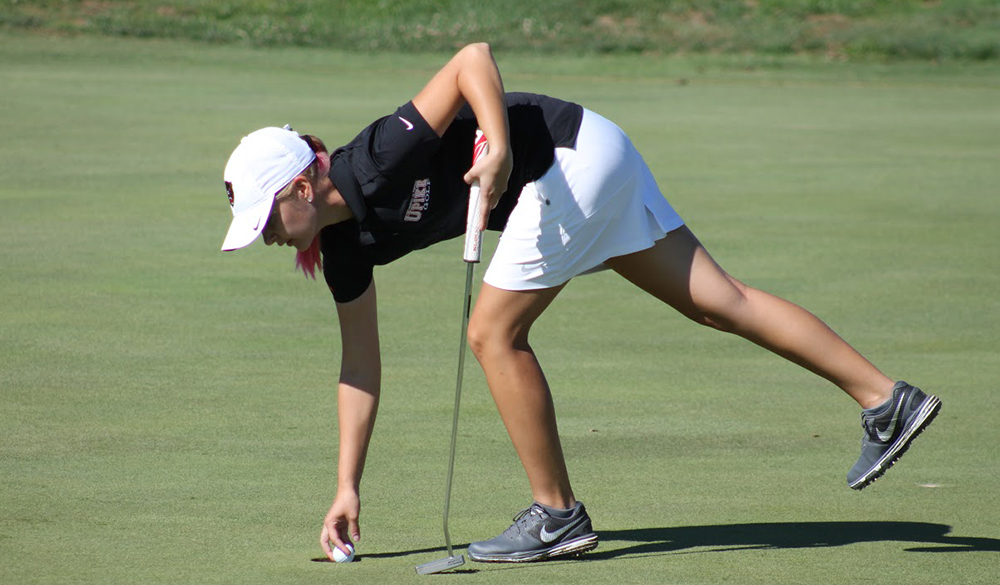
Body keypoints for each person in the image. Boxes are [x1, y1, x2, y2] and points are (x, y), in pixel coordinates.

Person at [219, 43, 941, 564]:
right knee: (721, 301)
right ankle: (886, 399)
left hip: (562, 159)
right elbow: (360, 367)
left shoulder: (372, 157)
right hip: (591, 155)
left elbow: (472, 58)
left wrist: (495, 147)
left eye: (266, 220)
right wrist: (346, 486)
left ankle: (557, 515)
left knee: (492, 334)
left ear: (302, 187)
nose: (267, 238)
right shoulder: (346, 249)